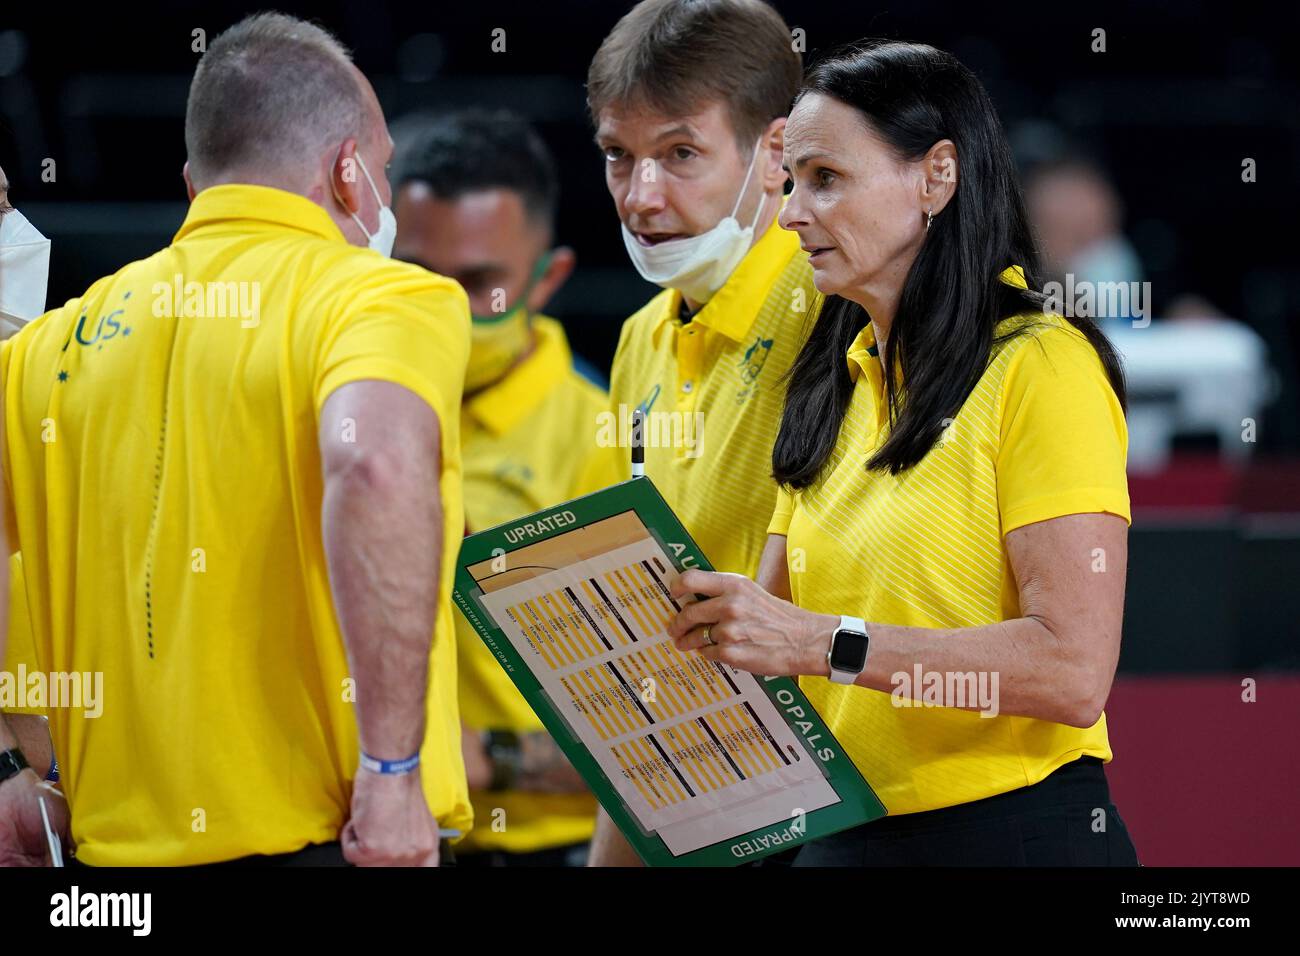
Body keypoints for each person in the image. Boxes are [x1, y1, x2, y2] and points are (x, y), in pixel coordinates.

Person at [0, 12, 472, 867]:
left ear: (195, 183)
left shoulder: (41, 350)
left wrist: (19, 769)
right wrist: (393, 772)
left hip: (110, 871)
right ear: (347, 170)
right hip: (335, 839)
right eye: (387, 170)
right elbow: (372, 467)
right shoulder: (381, 300)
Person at [666, 40, 1141, 866]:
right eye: (789, 183)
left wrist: (821, 643)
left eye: (825, 179)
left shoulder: (1044, 366)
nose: (790, 214)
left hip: (1011, 835)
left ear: (937, 176)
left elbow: (1071, 671)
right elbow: (767, 649)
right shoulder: (829, 383)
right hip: (840, 839)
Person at [584, 0, 816, 866]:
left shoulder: (842, 310)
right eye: (619, 157)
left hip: (839, 802)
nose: (642, 197)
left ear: (776, 153)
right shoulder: (639, 338)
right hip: (697, 783)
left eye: (681, 154)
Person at [390, 109, 620, 865]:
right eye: (418, 276)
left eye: (479, 283)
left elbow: (668, 729)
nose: (446, 310)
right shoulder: (331, 409)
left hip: (539, 852)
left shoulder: (606, 444)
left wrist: (487, 757)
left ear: (548, 278)